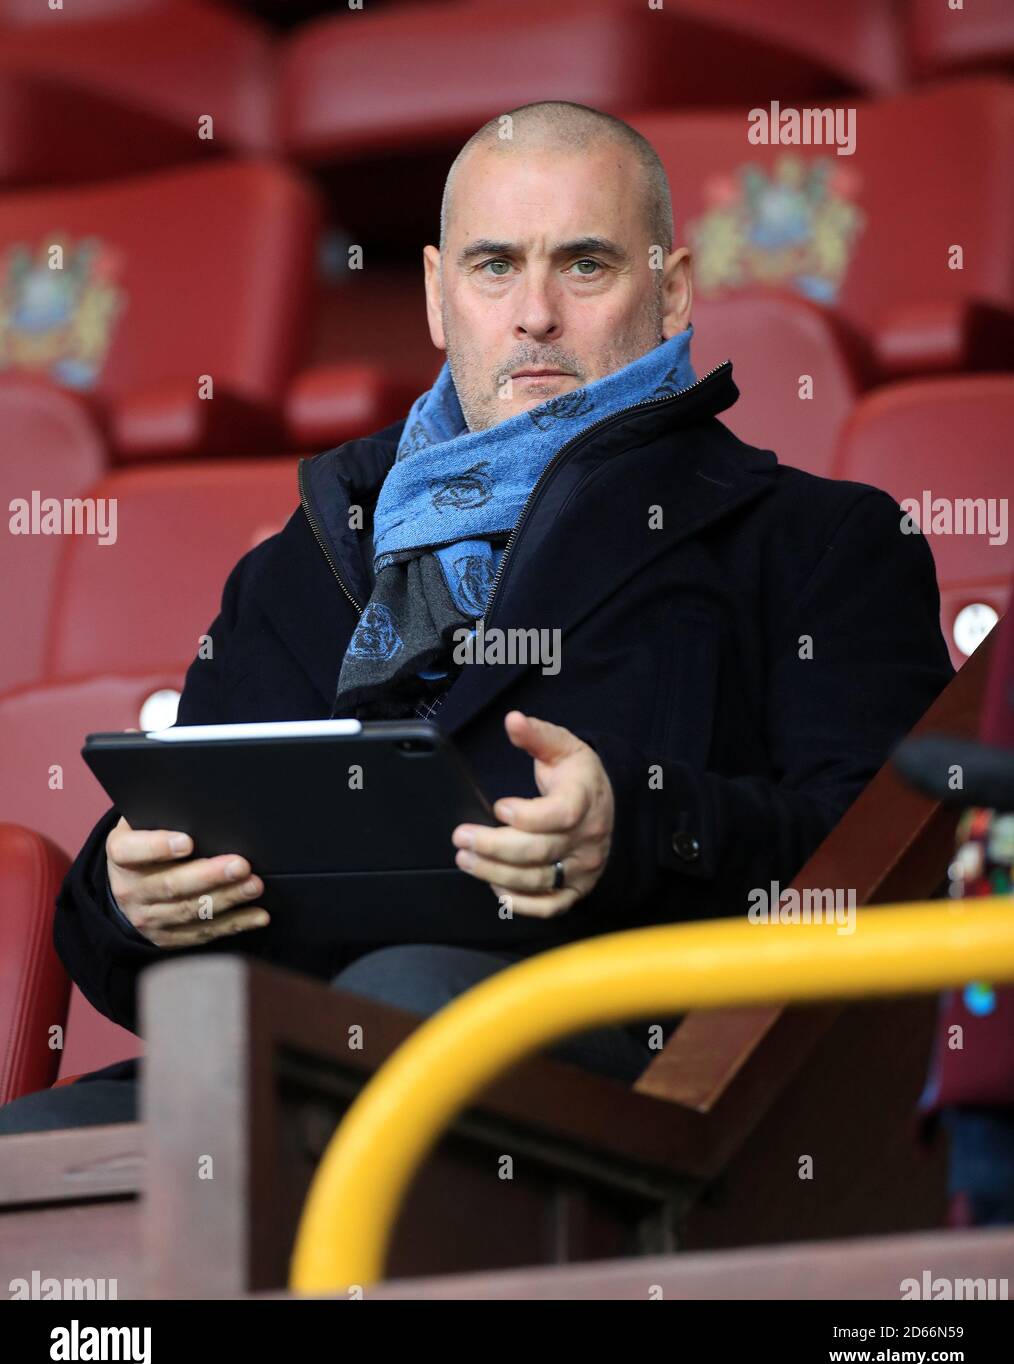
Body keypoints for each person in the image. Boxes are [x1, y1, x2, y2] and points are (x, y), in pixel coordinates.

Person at [0, 101, 954, 1134]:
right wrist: (127, 893)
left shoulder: (821, 539)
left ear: (672, 292)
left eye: (584, 265)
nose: (534, 313)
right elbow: (148, 901)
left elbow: (896, 876)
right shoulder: (307, 557)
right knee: (26, 1144)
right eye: (494, 266)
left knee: (403, 1002)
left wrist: (638, 829)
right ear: (434, 296)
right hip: (292, 1066)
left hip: (658, 1089)